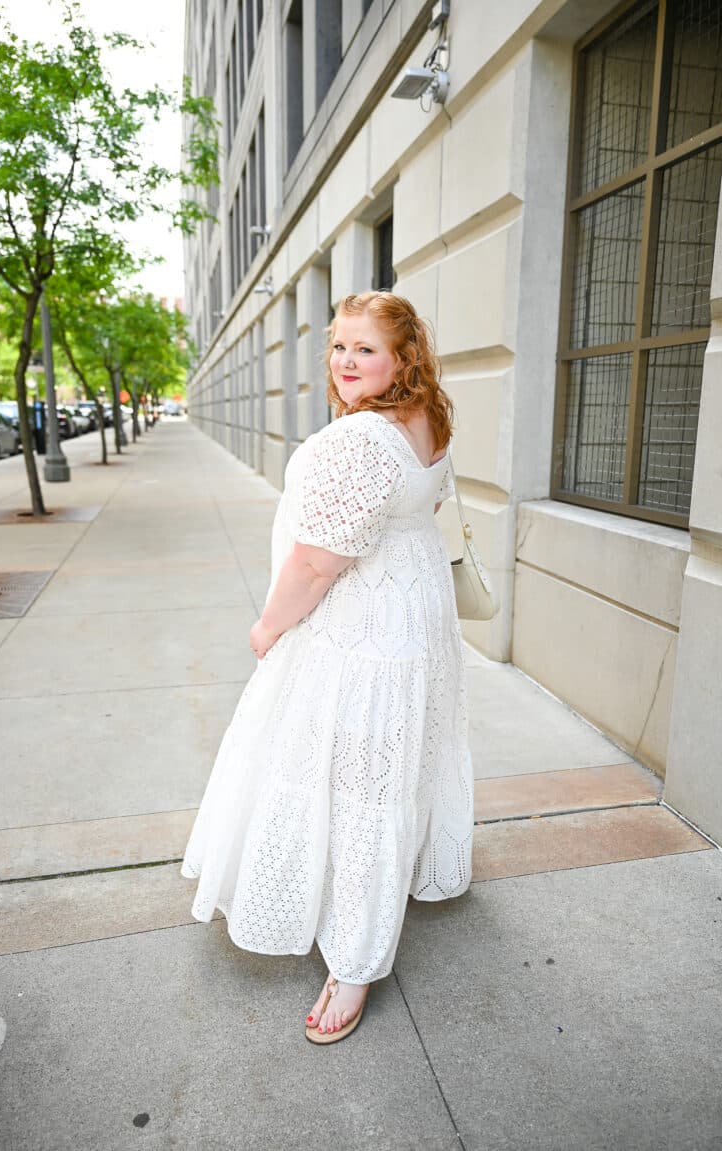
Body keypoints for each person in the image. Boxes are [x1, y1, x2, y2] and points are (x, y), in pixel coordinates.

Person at [181, 291, 474, 1045]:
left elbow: (315, 564)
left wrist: (267, 626)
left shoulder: (360, 441)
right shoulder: (431, 415)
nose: (346, 362)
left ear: (403, 357)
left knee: (354, 780)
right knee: (392, 763)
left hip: (368, 630)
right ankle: (381, 888)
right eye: (340, 347)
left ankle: (355, 961)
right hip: (418, 613)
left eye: (365, 349)